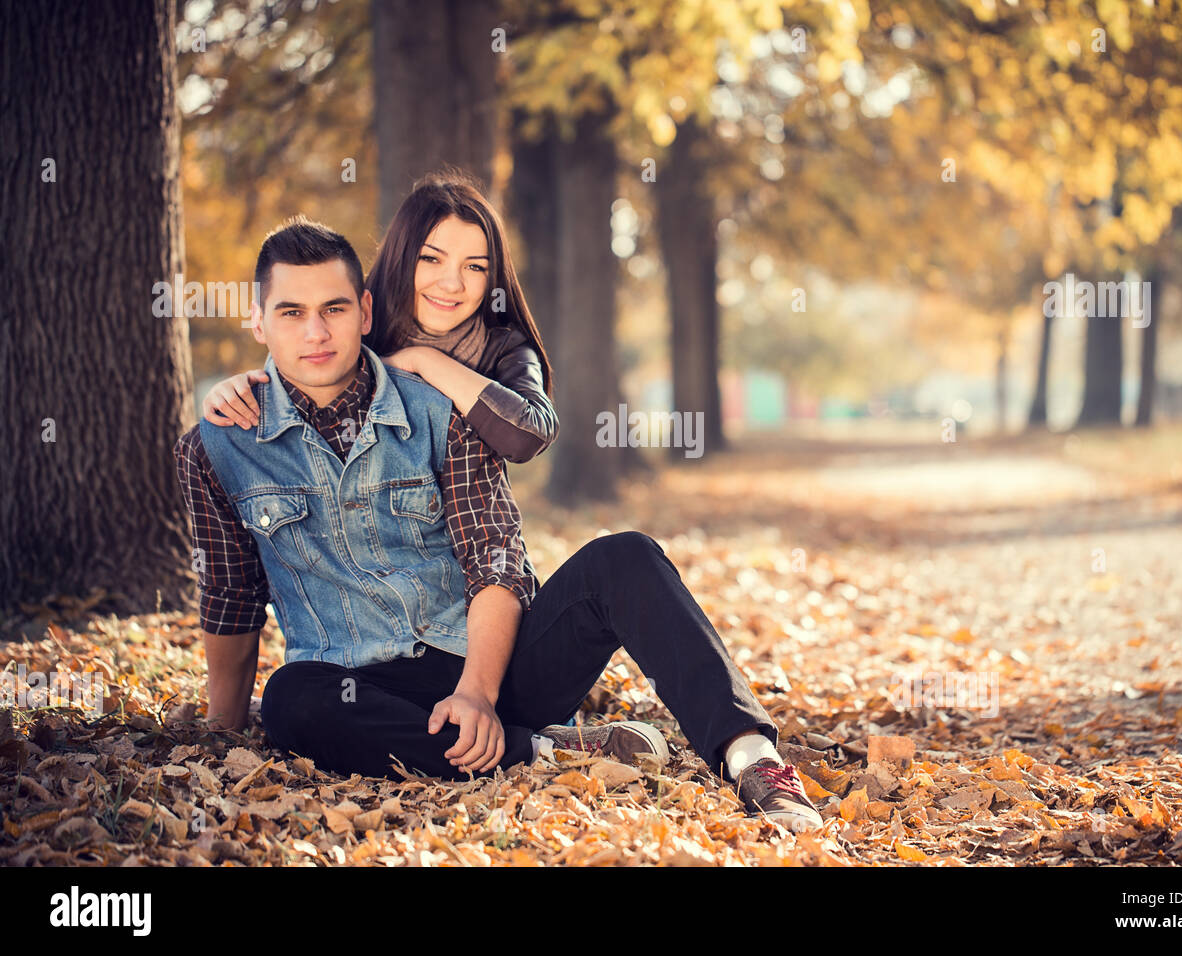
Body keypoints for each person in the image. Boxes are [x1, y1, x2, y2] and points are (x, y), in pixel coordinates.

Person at [172, 216, 822, 832]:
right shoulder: (217, 446)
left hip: (491, 666)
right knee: (289, 701)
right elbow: (231, 596)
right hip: (356, 691)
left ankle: (751, 757)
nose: (315, 332)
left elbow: (496, 558)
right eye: (291, 312)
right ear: (258, 321)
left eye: (334, 309)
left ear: (364, 313)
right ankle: (540, 751)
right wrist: (223, 734)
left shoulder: (441, 409)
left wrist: (478, 694)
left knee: (625, 556)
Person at [199, 171, 556, 466]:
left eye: (475, 266)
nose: (452, 284)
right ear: (402, 255)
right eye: (430, 259)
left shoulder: (503, 346)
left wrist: (424, 361)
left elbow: (527, 436)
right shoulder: (358, 320)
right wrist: (237, 389)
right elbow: (301, 360)